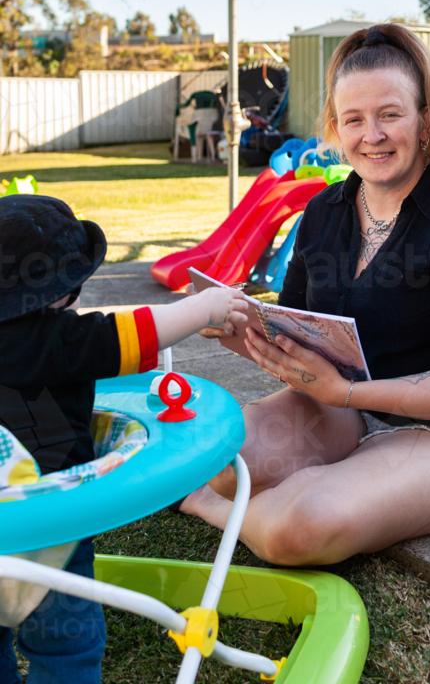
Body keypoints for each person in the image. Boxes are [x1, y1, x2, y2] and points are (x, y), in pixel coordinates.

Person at [181, 23, 430, 567]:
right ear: (336, 127)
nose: (372, 135)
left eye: (390, 114)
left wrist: (342, 394)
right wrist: (239, 330)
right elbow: (298, 334)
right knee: (209, 460)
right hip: (346, 409)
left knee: (302, 524)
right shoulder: (324, 212)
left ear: (424, 119)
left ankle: (215, 508)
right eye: (354, 119)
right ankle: (255, 491)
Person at [0, 195, 247, 684]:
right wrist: (206, 306)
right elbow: (140, 333)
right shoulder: (59, 340)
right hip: (50, 528)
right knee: (65, 643)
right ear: (60, 291)